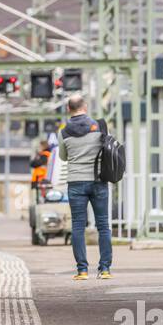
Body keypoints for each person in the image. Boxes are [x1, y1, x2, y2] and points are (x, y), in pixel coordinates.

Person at [58, 94, 113, 280]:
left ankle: (82, 270)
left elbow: (63, 157)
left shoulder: (63, 132)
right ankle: (104, 269)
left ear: (68, 109)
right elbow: (108, 150)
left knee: (78, 227)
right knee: (103, 225)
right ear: (85, 107)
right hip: (98, 180)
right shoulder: (99, 126)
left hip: (75, 182)